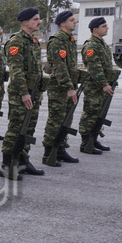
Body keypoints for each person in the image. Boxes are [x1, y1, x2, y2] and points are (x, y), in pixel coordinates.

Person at [0, 7, 45, 180]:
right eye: (35, 19)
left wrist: (38, 90)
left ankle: (22, 160)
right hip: (21, 93)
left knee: (29, 127)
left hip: (33, 91)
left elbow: (36, 69)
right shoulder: (16, 42)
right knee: (16, 128)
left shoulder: (32, 41)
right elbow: (16, 70)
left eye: (38, 19)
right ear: (25, 22)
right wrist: (24, 93)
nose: (38, 22)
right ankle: (6, 164)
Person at [42, 10, 81, 165]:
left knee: (66, 119)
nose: (75, 22)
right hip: (59, 88)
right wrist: (68, 87)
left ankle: (60, 150)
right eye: (72, 20)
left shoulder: (69, 40)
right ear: (63, 23)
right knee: (55, 121)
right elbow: (59, 67)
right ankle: (48, 153)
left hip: (69, 86)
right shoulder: (57, 41)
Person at [78, 17, 118, 154]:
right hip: (94, 86)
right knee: (90, 113)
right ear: (95, 29)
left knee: (99, 114)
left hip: (102, 86)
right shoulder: (91, 45)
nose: (107, 28)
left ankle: (93, 140)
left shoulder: (102, 44)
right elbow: (94, 68)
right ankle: (85, 143)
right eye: (104, 26)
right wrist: (104, 84)